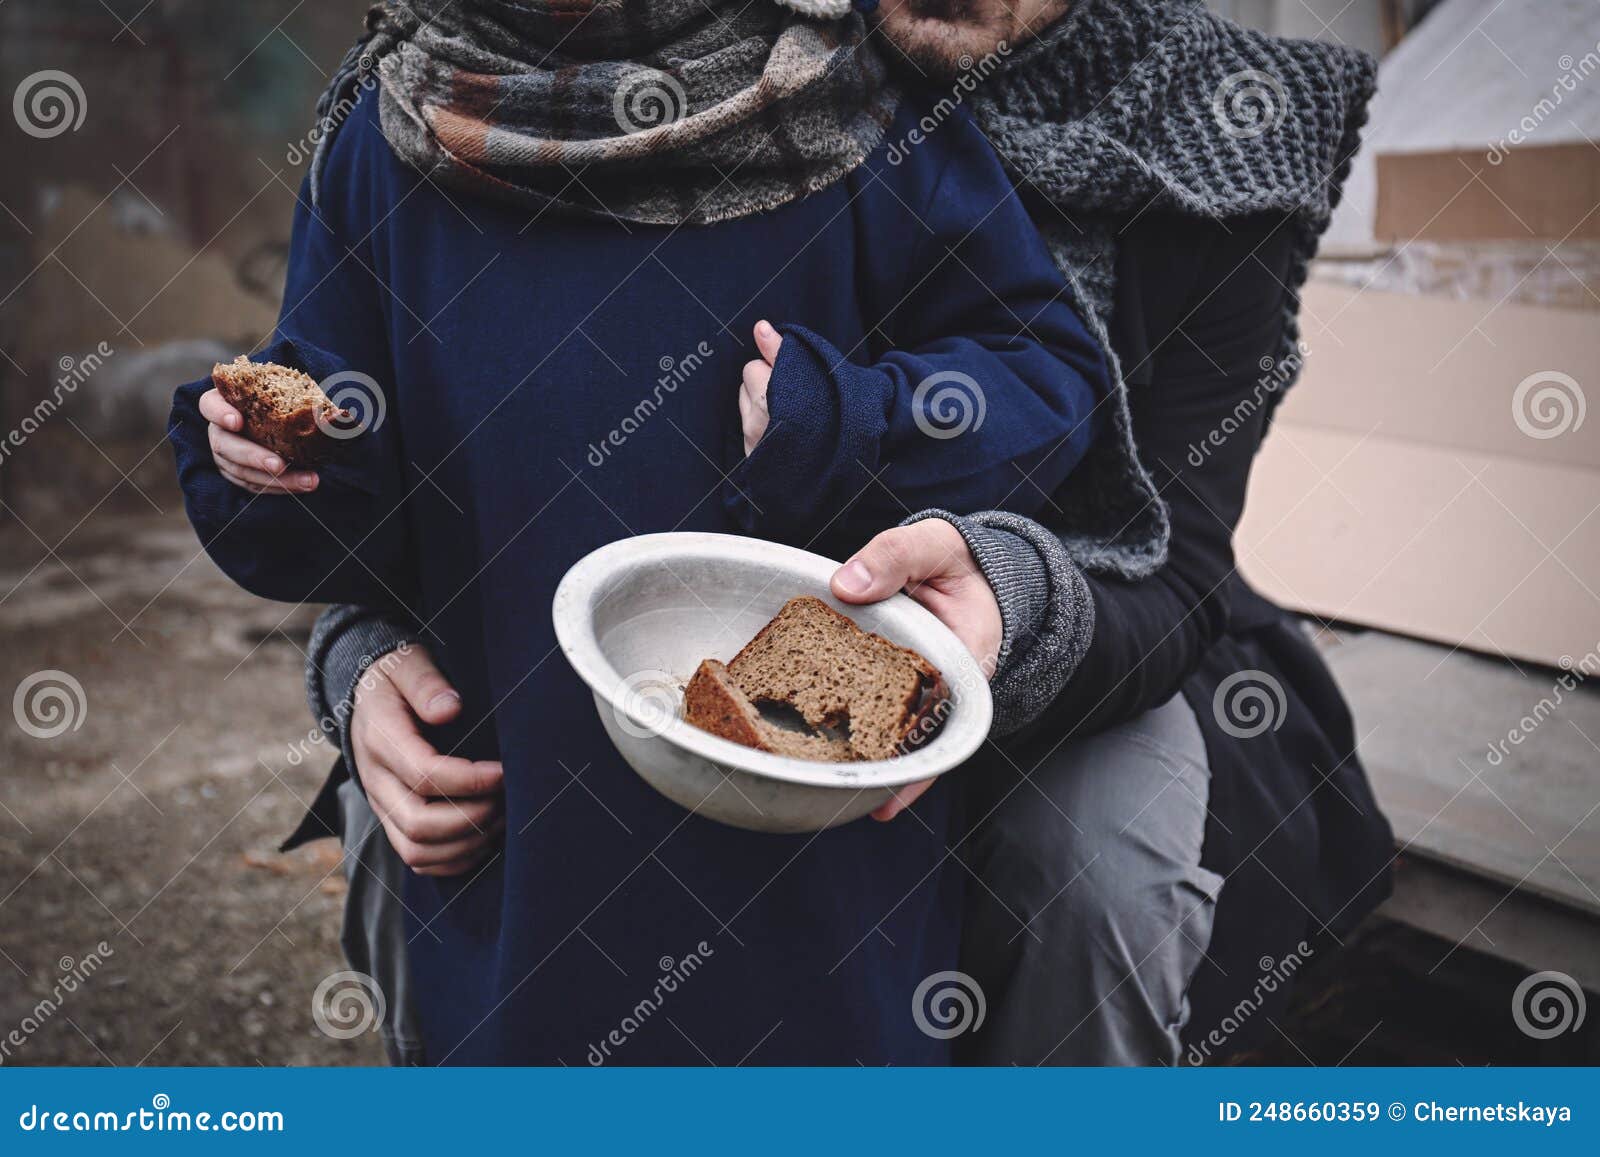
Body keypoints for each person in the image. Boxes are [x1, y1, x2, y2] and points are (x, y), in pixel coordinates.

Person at [297, 0, 1398, 1066]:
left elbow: (1179, 556)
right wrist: (361, 640)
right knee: (403, 807)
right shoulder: (678, 66)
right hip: (722, 591)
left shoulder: (1228, 125)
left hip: (1080, 619)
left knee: (1103, 871)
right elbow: (494, 422)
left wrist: (1008, 611)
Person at [168, 0, 1118, 1065]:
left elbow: (1043, 377)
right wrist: (274, 467)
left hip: (806, 842)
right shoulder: (395, 129)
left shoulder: (854, 101)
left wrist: (856, 421)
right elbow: (335, 507)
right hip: (515, 826)